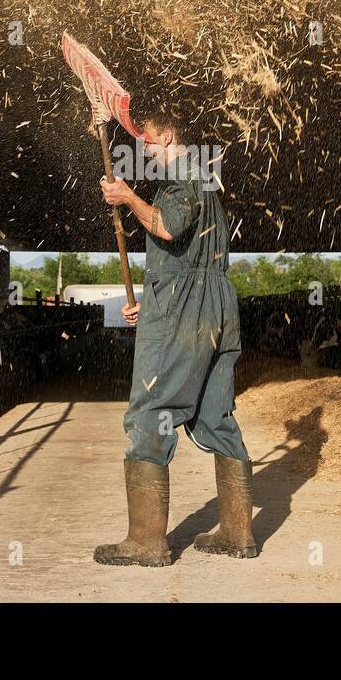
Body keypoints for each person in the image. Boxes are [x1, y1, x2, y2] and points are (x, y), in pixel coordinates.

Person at [93, 108, 256, 566]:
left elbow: (167, 225)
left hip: (186, 305)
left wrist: (126, 197)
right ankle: (238, 533)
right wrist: (153, 303)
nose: (143, 150)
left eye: (146, 142)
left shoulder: (182, 174)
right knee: (213, 415)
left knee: (150, 409)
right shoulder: (208, 181)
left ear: (167, 136)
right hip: (215, 304)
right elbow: (192, 264)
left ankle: (146, 541)